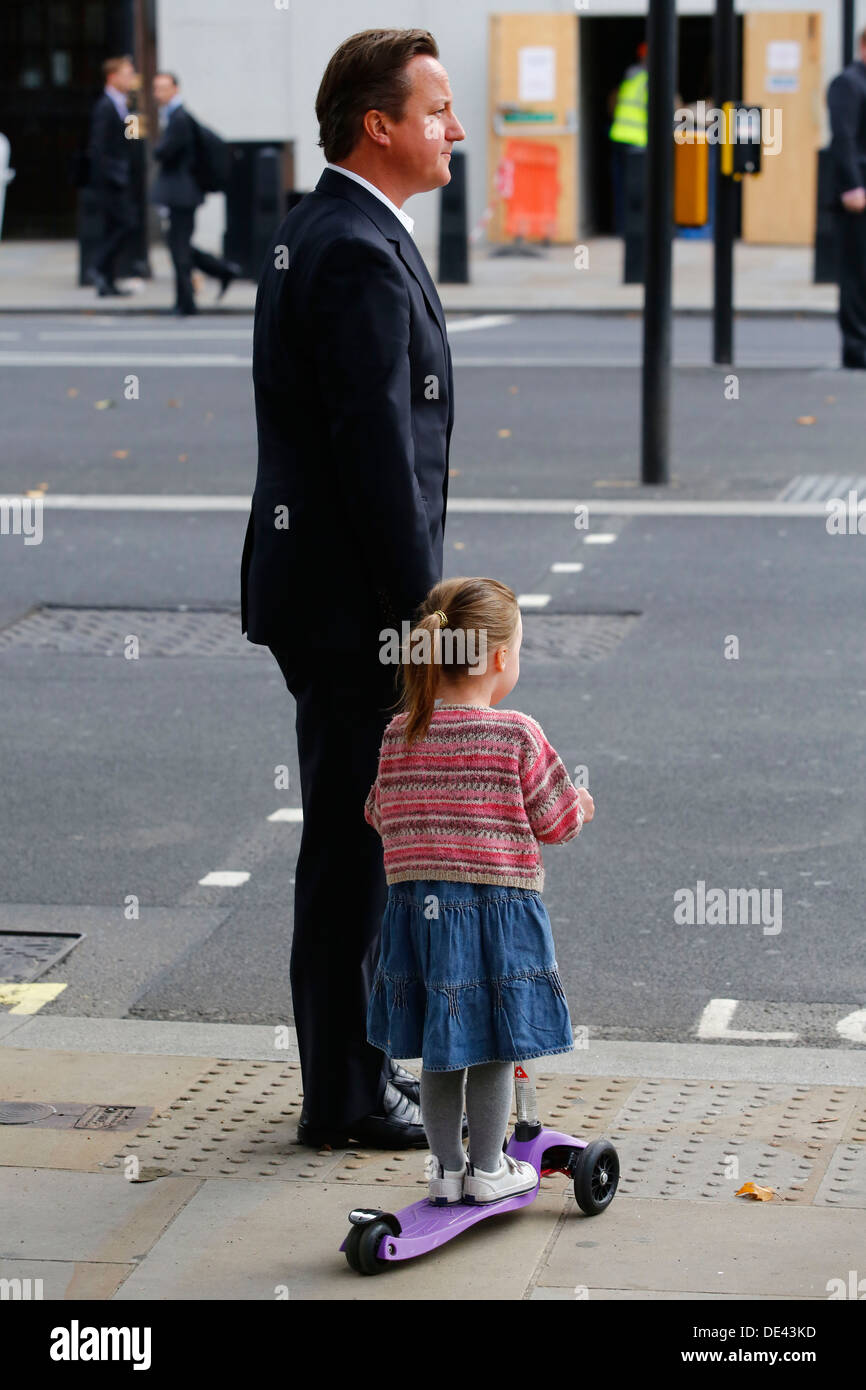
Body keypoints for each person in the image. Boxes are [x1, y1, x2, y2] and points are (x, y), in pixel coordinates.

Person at [240, 29, 465, 1148]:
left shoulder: (333, 229)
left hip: (335, 595)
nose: (455, 129)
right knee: (352, 852)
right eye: (435, 111)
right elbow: (376, 457)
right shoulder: (354, 251)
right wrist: (429, 624)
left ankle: (353, 1078)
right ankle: (343, 1095)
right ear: (378, 126)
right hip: (355, 610)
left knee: (354, 843)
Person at [364, 577, 594, 1204]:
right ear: (497, 658)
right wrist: (581, 805)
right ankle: (489, 1169)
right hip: (495, 917)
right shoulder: (516, 734)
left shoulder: (399, 735)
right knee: (493, 1047)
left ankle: (446, 1171)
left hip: (420, 920)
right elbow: (555, 821)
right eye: (518, 649)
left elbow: (379, 813)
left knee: (441, 1052)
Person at [151, 72, 241, 316]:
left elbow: (163, 152)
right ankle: (220, 271)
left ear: (175, 89)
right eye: (156, 88)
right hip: (182, 193)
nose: (158, 93)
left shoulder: (178, 118)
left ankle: (187, 302)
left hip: (182, 194)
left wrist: (156, 148)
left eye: (163, 88)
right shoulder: (174, 116)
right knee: (179, 246)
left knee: (179, 249)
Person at [827, 29, 866, 368]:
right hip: (857, 195)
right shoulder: (848, 83)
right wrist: (853, 187)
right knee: (856, 273)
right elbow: (844, 138)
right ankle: (856, 349)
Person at [85, 55, 138, 297]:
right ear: (112, 77)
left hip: (122, 177)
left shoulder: (125, 104)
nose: (131, 79)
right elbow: (98, 147)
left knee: (113, 228)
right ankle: (97, 266)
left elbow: (132, 139)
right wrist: (106, 177)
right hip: (111, 180)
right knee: (126, 224)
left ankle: (107, 282)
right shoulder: (105, 106)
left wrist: (134, 113)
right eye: (127, 74)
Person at [608, 42, 648, 237]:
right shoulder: (650, 80)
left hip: (619, 136)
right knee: (638, 190)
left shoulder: (630, 76)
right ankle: (636, 229)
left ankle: (622, 228)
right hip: (637, 141)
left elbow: (612, 103)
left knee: (622, 187)